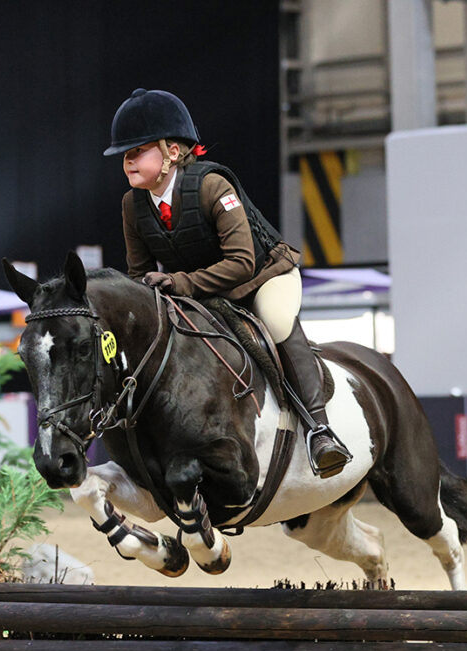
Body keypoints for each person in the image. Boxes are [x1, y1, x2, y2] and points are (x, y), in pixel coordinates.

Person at [104, 87, 350, 477]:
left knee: (275, 321)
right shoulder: (132, 205)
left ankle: (320, 431)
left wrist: (180, 283)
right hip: (203, 290)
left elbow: (240, 262)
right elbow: (138, 275)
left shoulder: (211, 186)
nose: (128, 161)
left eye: (138, 151)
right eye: (125, 155)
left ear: (171, 152)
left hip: (261, 276)